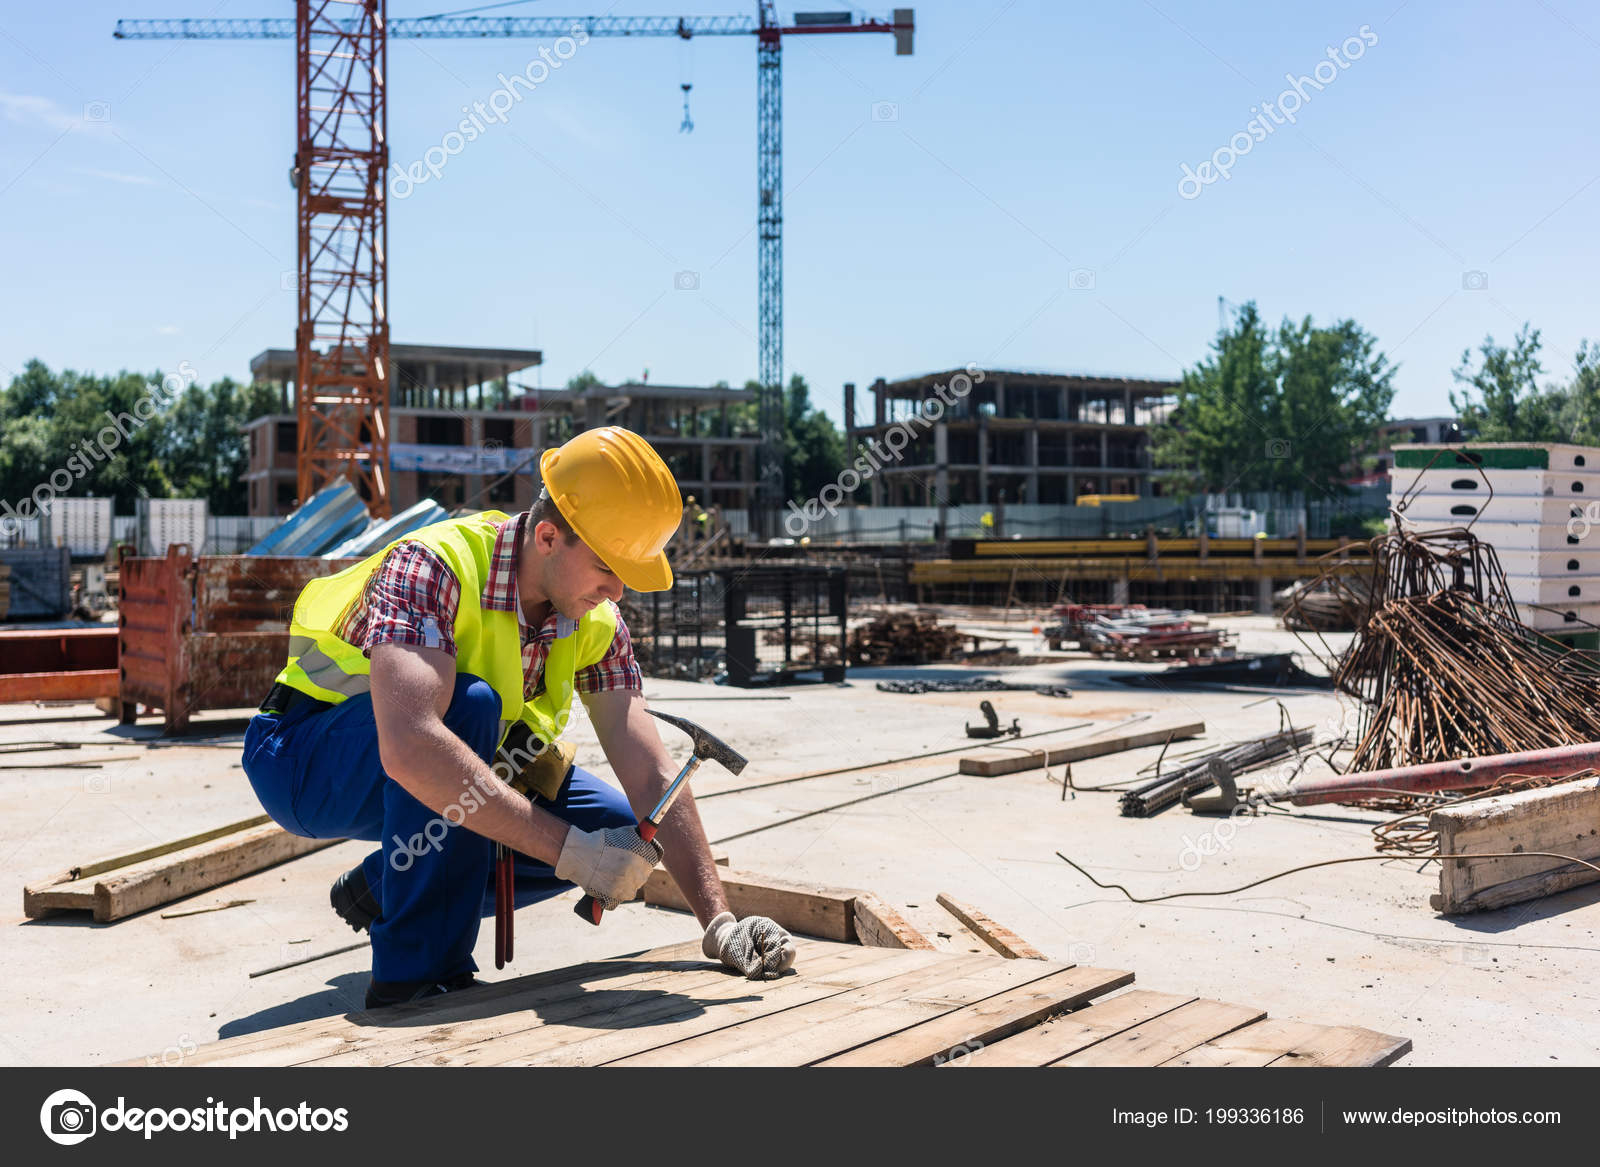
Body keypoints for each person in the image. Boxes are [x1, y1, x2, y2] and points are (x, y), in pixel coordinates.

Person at [242, 426, 795, 1008]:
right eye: (609, 568)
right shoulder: (434, 568)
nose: (618, 592)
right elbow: (410, 745)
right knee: (471, 708)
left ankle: (392, 880)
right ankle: (414, 977)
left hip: (441, 769)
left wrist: (720, 923)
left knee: (620, 832)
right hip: (304, 758)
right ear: (550, 536)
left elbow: (651, 773)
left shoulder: (595, 623)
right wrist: (569, 853)